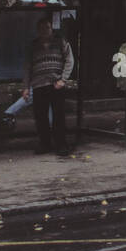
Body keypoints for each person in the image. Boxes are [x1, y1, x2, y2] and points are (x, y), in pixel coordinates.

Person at [23, 16, 74, 156]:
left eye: (47, 28)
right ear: (37, 31)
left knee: (59, 116)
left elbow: (70, 60)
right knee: (40, 117)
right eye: (41, 29)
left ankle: (61, 144)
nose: (44, 31)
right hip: (39, 85)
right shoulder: (33, 45)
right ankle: (45, 143)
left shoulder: (60, 42)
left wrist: (63, 79)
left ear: (51, 28)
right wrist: (26, 87)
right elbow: (27, 67)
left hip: (56, 84)